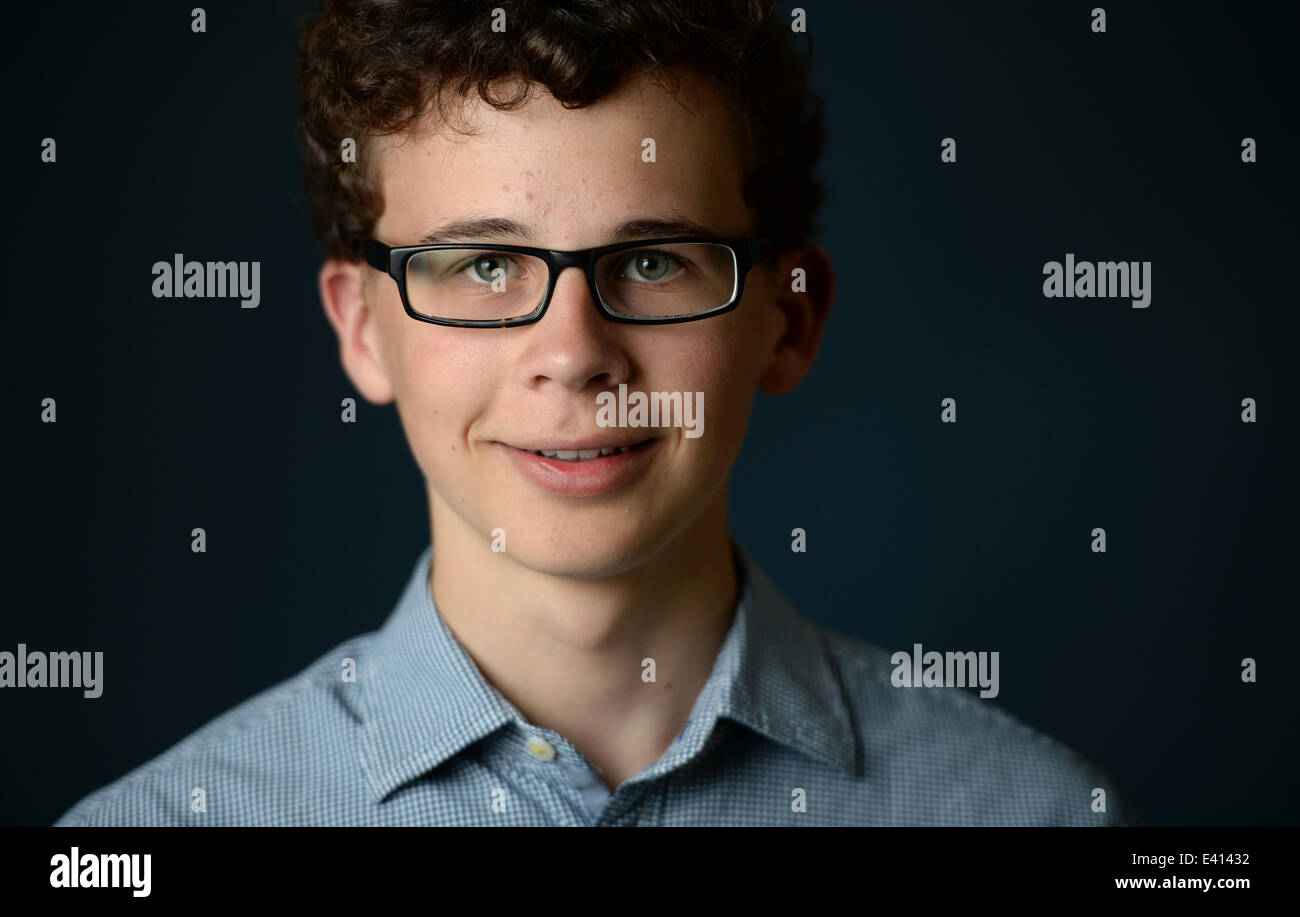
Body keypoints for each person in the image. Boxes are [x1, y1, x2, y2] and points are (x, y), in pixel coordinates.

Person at [54, 0, 1128, 826]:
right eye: (481, 264)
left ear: (788, 320)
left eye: (652, 259)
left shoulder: (1024, 812)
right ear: (362, 328)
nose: (571, 353)